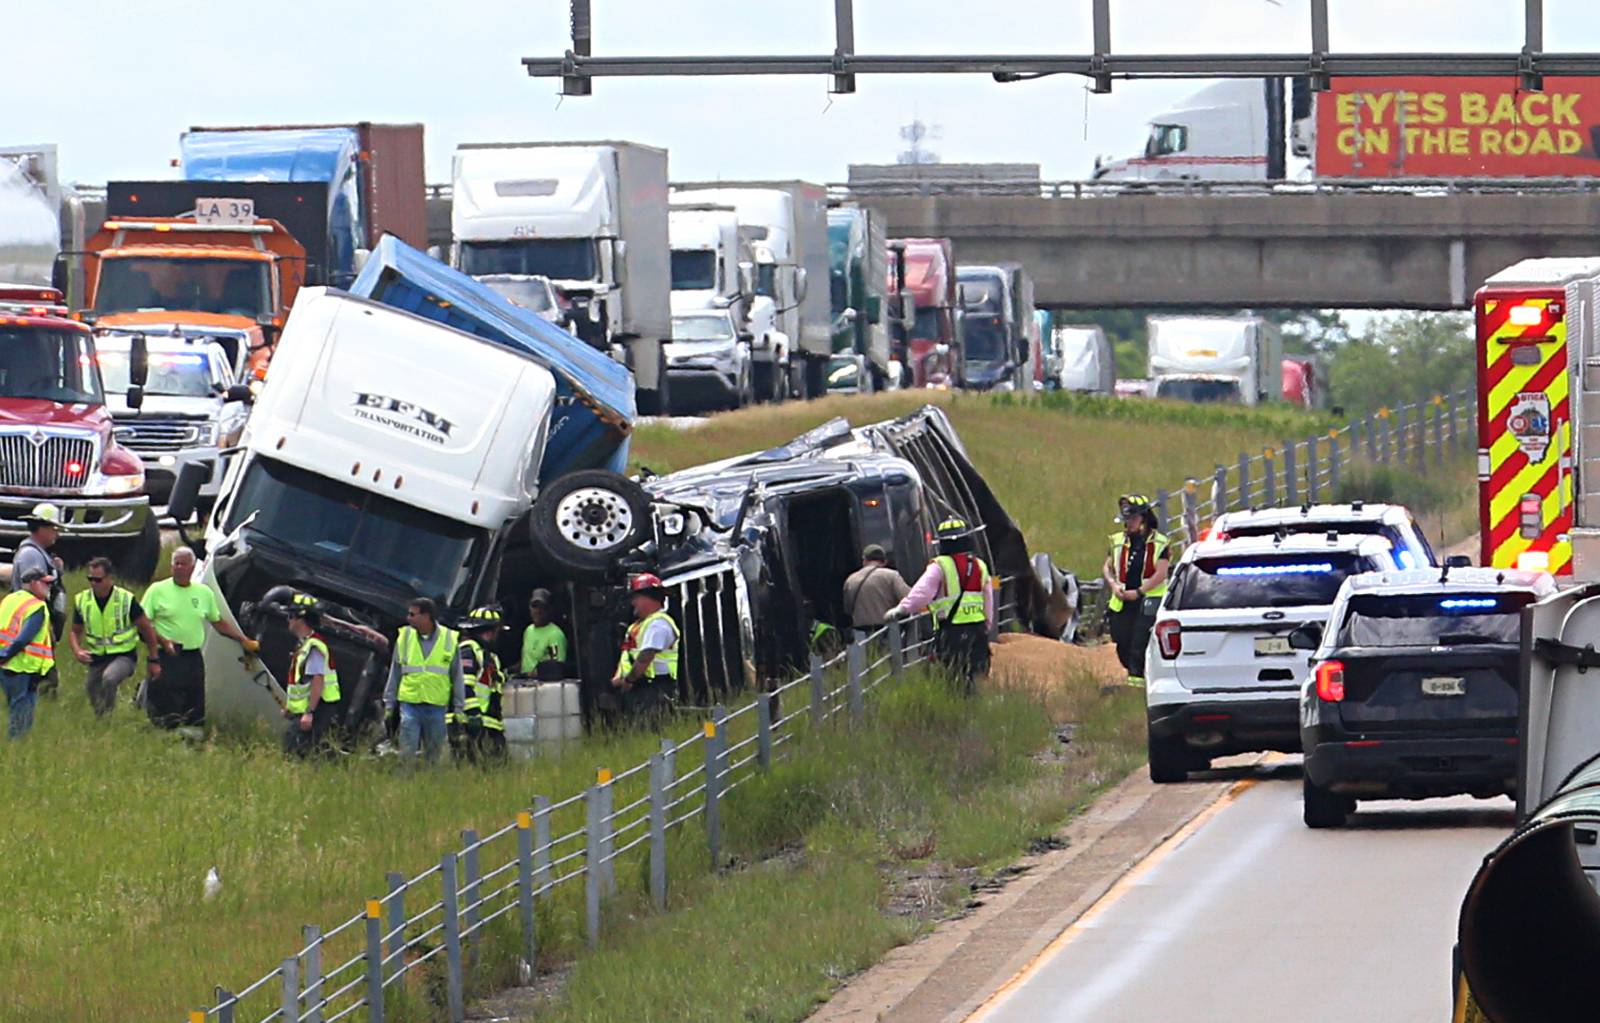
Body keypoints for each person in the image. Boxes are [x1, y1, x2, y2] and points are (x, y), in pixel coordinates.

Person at [141, 546, 259, 727]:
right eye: (176, 564)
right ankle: (165, 732)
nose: (179, 568)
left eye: (183, 564)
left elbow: (218, 622)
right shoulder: (157, 590)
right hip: (166, 655)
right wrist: (162, 642)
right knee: (165, 702)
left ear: (192, 567)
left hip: (192, 657)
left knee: (194, 699)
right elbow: (143, 624)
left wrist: (243, 640)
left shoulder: (204, 593)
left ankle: (192, 734)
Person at [887, 518, 994, 692]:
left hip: (951, 632)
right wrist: (987, 625)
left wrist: (902, 608)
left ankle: (959, 704)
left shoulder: (939, 566)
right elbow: (988, 598)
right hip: (977, 630)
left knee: (953, 676)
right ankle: (974, 703)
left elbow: (921, 593)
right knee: (976, 674)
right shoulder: (979, 565)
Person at [69, 556, 161, 717]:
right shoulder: (83, 600)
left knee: (109, 678)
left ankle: (108, 716)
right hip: (97, 657)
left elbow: (146, 628)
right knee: (91, 688)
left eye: (98, 580)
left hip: (123, 656)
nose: (93, 583)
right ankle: (101, 720)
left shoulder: (126, 599)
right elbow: (74, 632)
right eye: (90, 579)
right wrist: (77, 651)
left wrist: (153, 658)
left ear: (109, 578)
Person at [1101, 494, 1172, 689]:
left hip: (1149, 600)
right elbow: (1107, 567)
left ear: (1144, 518)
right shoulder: (1117, 540)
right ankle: (1135, 676)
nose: (1129, 523)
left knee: (1139, 643)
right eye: (1127, 519)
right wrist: (1113, 585)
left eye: (1133, 518)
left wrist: (1139, 592)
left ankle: (1137, 685)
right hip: (1123, 601)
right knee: (1122, 641)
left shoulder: (1160, 543)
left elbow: (1161, 573)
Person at [383, 597, 466, 764]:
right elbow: (395, 672)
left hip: (436, 706)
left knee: (433, 753)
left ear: (426, 616)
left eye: (412, 614)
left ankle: (429, 778)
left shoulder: (448, 638)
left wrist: (459, 707)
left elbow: (457, 676)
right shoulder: (405, 637)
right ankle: (405, 778)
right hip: (410, 704)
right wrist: (389, 704)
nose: (408, 618)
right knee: (407, 751)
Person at [11, 503, 66, 697]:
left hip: (41, 621)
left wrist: (57, 570)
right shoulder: (31, 555)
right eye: (54, 528)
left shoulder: (38, 554)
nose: (57, 533)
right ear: (42, 528)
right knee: (43, 678)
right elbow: (34, 590)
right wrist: (44, 623)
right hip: (36, 622)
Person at [610, 574, 679, 723]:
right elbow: (627, 654)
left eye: (636, 597)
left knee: (651, 728)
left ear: (649, 598)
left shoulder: (658, 624)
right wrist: (618, 678)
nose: (633, 602)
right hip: (639, 688)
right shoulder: (638, 626)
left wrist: (629, 680)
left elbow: (646, 656)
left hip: (655, 689)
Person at [282, 595, 341, 757]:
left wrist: (309, 713)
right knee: (301, 749)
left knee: (294, 749)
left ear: (301, 620)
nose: (288, 620)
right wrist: (291, 708)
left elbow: (317, 680)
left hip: (318, 708)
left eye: (291, 616)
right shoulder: (306, 644)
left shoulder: (314, 647)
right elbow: (302, 683)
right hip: (311, 709)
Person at [0, 568, 55, 740]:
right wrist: (6, 655)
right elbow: (22, 639)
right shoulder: (36, 606)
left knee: (16, 707)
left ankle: (17, 746)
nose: (49, 587)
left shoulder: (9, 599)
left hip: (6, 667)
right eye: (45, 583)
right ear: (33, 583)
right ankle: (17, 747)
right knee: (21, 713)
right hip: (22, 666)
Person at [457, 605, 509, 761]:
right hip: (472, 724)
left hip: (490, 724)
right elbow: (464, 686)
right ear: (489, 632)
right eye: (497, 632)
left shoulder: (490, 657)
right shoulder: (468, 651)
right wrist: (473, 715)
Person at [842, 544, 910, 635]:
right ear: (885, 562)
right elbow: (908, 599)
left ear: (864, 560)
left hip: (861, 633)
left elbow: (847, 609)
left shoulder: (850, 580)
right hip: (887, 630)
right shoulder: (892, 575)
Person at [519, 589, 569, 679]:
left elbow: (557, 669)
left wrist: (536, 673)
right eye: (534, 606)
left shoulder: (555, 634)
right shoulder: (528, 630)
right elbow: (528, 660)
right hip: (523, 683)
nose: (538, 611)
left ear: (549, 610)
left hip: (544, 685)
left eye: (543, 607)